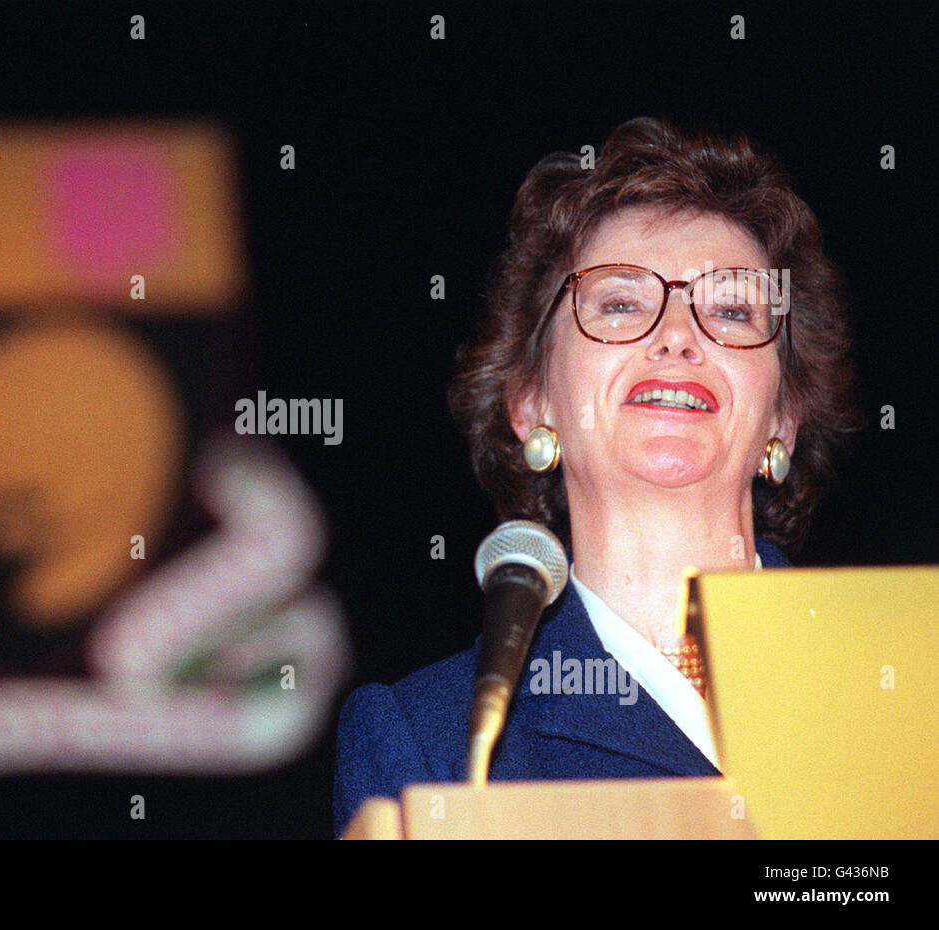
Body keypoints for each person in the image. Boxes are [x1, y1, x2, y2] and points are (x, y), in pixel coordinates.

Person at [333, 117, 863, 837]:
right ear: (530, 403)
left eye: (732, 310)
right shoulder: (439, 740)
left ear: (785, 418)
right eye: (620, 305)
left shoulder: (896, 682)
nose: (679, 336)